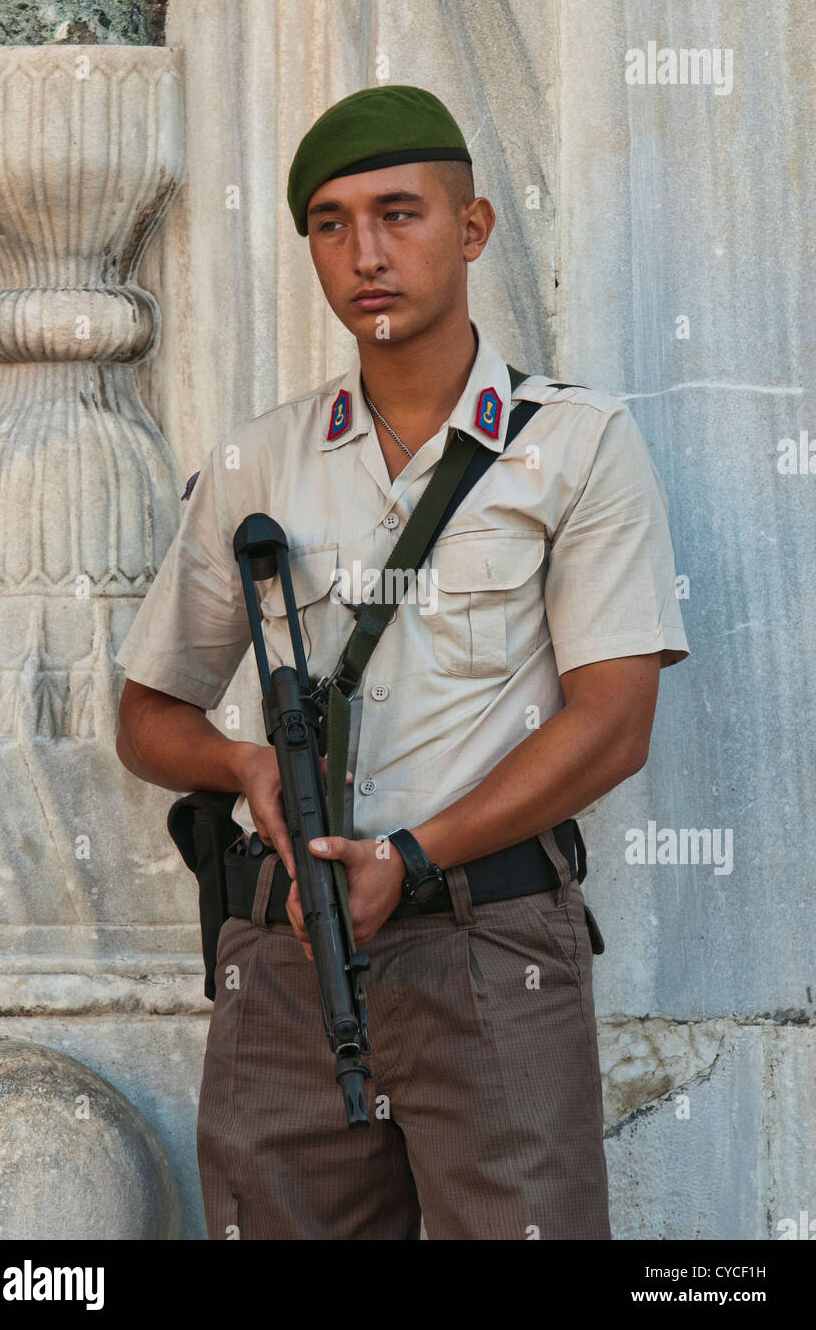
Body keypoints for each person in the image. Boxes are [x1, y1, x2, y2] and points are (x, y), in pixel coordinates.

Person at [115, 84, 689, 1240]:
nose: (365, 253)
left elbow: (613, 723)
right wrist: (241, 766)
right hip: (284, 951)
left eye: (398, 213)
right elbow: (145, 713)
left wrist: (412, 855)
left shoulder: (573, 446)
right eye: (330, 224)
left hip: (488, 945)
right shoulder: (259, 461)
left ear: (470, 231)